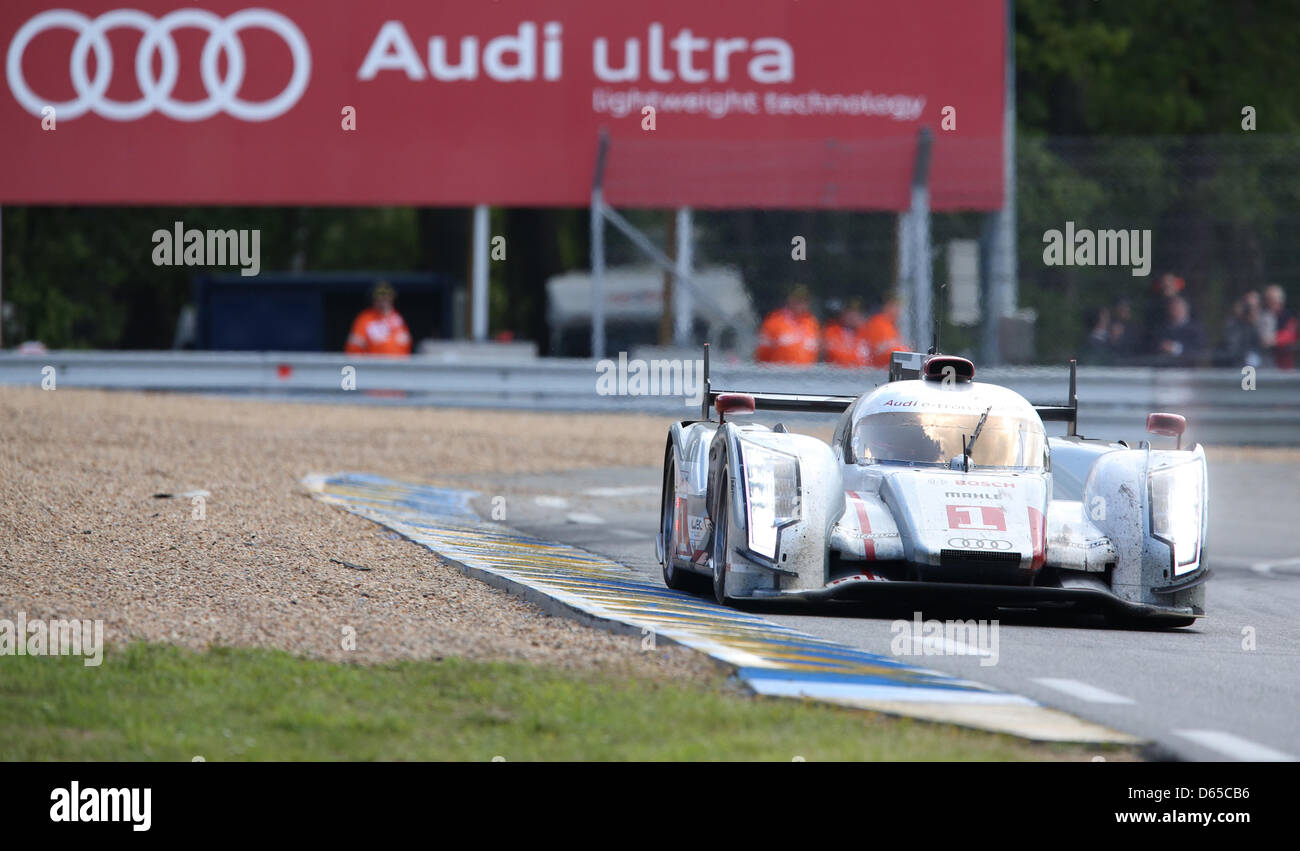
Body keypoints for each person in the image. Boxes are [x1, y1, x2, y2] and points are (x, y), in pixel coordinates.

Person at [755, 285, 820, 365]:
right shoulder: (774, 321)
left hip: (806, 375)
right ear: (789, 299)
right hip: (780, 375)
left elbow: (815, 354)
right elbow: (762, 355)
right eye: (798, 300)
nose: (801, 304)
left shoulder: (811, 323)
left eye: (804, 300)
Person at [345, 282, 412, 356]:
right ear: (373, 298)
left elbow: (406, 344)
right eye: (380, 295)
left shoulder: (398, 317)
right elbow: (353, 348)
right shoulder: (365, 318)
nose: (383, 299)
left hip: (397, 364)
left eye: (387, 295)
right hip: (372, 364)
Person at [1152, 296, 1206, 366]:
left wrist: (1176, 348)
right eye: (1173, 309)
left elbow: (1199, 351)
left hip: (1188, 369)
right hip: (1163, 369)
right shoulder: (1162, 328)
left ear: (1186, 310)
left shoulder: (1196, 329)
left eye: (1178, 309)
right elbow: (1152, 347)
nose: (1175, 311)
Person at [860, 294, 906, 367]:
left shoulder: (891, 325)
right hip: (875, 369)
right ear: (887, 306)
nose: (898, 311)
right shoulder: (877, 323)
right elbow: (877, 350)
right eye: (895, 306)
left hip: (885, 369)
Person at [822, 298, 868, 367]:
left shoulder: (867, 333)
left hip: (864, 375)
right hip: (839, 375)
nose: (853, 316)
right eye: (850, 312)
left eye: (857, 313)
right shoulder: (832, 331)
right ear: (843, 313)